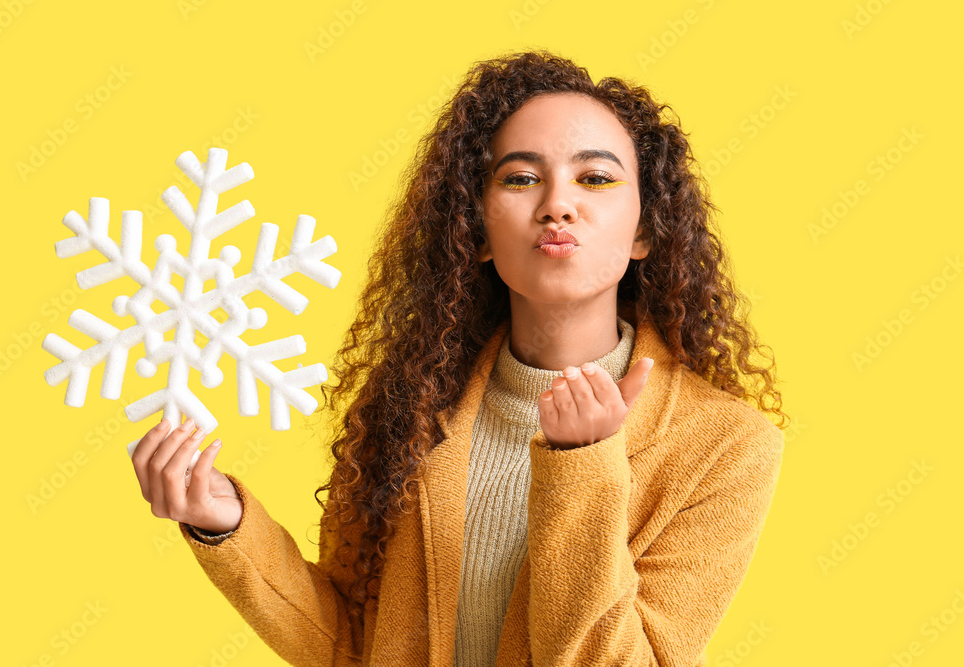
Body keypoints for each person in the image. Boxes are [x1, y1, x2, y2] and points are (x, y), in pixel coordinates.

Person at [129, 49, 788, 666]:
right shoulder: (411, 402)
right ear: (475, 230)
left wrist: (583, 466)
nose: (558, 204)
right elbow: (354, 644)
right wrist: (226, 525)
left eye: (595, 177)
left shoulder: (725, 446)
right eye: (522, 177)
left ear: (644, 228)